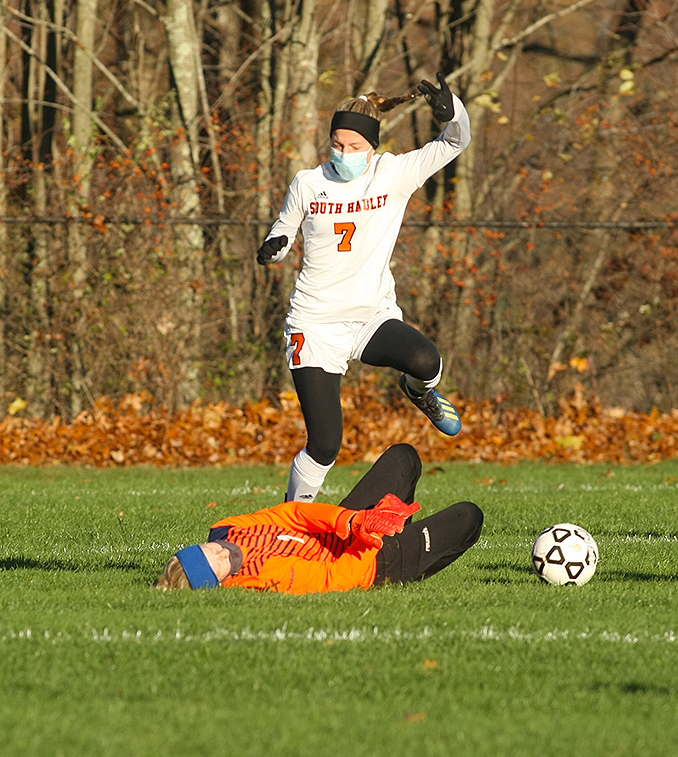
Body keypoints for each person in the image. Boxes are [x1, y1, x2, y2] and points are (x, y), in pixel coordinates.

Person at [256, 73, 471, 502]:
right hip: (315, 326)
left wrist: (453, 110)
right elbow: (283, 231)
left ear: (371, 146)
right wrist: (274, 246)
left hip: (370, 318)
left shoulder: (393, 174)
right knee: (325, 445)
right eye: (337, 145)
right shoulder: (308, 183)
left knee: (427, 361)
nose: (344, 154)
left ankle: (417, 390)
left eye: (354, 147)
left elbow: (454, 142)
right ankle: (288, 527)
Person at [154, 443, 483, 593]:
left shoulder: (228, 529)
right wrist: (372, 540)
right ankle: (407, 568)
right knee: (468, 517)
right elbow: (335, 577)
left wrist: (357, 521)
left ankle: (399, 532)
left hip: (349, 531)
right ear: (222, 581)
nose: (223, 552)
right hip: (368, 565)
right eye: (220, 565)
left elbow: (295, 515)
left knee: (403, 458)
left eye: (211, 551)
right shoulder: (261, 579)